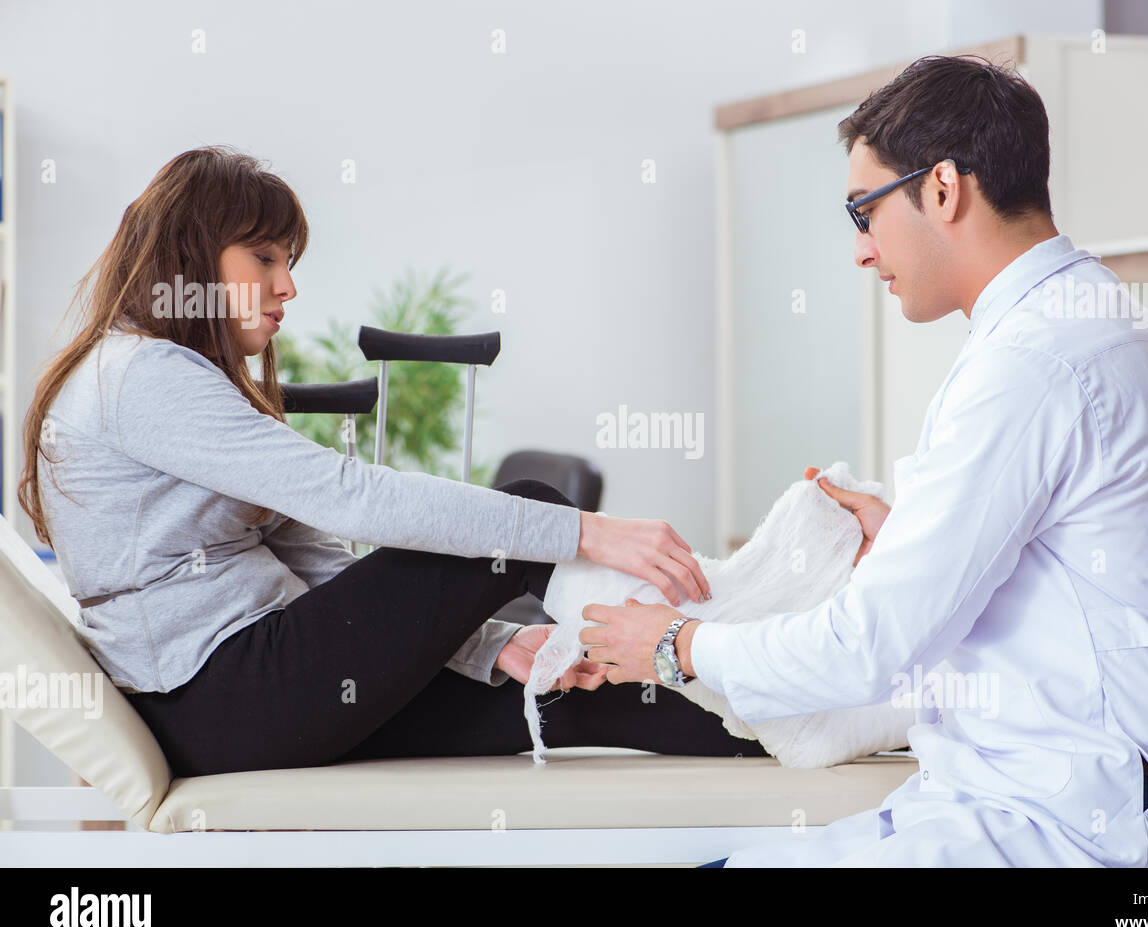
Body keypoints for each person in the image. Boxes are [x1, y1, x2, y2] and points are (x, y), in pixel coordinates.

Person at [585, 55, 1148, 867]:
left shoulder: (1034, 365)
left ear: (942, 189)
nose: (861, 253)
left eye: (862, 214)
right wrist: (917, 537)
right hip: (1079, 798)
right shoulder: (1121, 333)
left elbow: (870, 645)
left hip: (1083, 829)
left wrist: (677, 644)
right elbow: (1091, 580)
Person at [17, 145, 770, 778]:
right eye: (266, 257)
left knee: (567, 696)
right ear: (193, 253)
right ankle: (742, 630)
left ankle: (783, 730)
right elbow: (347, 496)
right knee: (532, 505)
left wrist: (494, 645)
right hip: (222, 695)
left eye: (290, 261)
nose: (288, 285)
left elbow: (315, 555)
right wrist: (589, 531)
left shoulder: (160, 375)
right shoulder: (140, 374)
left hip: (236, 704)